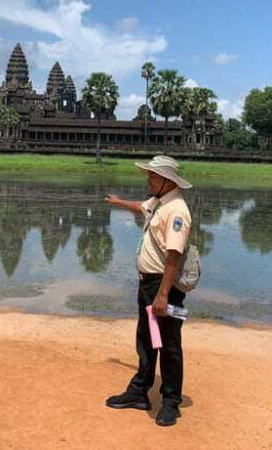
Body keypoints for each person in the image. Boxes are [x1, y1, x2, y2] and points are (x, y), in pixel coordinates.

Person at [104, 155, 193, 427]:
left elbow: (174, 255)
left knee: (168, 345)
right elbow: (142, 208)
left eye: (152, 176)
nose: (148, 179)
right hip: (148, 285)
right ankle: (139, 391)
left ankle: (170, 402)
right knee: (148, 339)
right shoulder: (158, 203)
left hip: (163, 286)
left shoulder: (176, 210)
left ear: (167, 181)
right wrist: (118, 202)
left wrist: (163, 294)